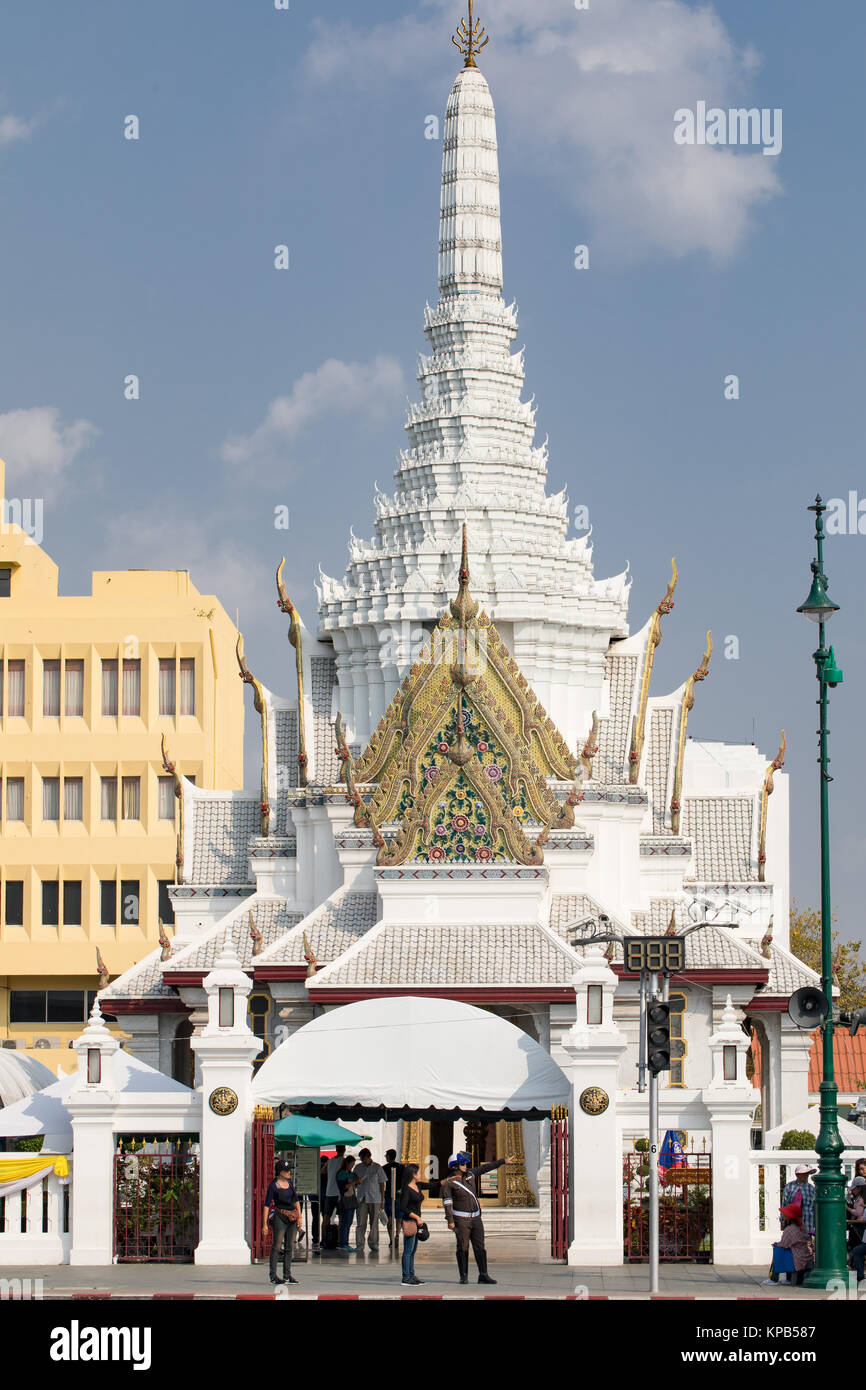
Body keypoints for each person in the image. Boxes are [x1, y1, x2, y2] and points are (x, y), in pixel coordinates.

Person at [441, 1150, 515, 1285]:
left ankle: (483, 1274)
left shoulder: (471, 1174)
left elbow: (485, 1168)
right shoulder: (449, 1183)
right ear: (455, 1166)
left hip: (476, 1219)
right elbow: (447, 1203)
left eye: (465, 1163)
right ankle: (463, 1276)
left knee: (480, 1247)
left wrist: (502, 1161)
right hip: (461, 1220)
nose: (465, 1166)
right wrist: (450, 1221)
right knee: (463, 1247)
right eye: (462, 1164)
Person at [263, 1159, 303, 1285]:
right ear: (280, 1172)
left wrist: (300, 1216)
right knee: (277, 1246)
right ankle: (273, 1275)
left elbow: (296, 1200)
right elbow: (266, 1205)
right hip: (280, 1216)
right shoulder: (273, 1186)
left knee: (289, 1247)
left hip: (292, 1217)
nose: (289, 1172)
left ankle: (287, 1274)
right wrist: (264, 1224)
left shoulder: (290, 1183)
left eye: (289, 1170)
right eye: (286, 1171)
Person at [398, 1163, 427, 1287]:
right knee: (408, 1250)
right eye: (419, 1173)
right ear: (413, 1174)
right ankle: (406, 1276)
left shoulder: (417, 1186)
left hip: (417, 1221)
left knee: (413, 1250)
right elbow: (403, 1207)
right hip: (410, 1221)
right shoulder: (406, 1189)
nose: (420, 1175)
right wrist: (416, 1217)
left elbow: (432, 1185)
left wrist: (445, 1181)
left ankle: (411, 1274)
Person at [772, 1201, 814, 1286]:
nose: (783, 1215)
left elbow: (784, 1244)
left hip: (796, 1257)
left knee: (777, 1250)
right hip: (805, 1254)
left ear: (789, 1217)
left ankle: (773, 1278)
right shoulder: (802, 1227)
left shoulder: (789, 1230)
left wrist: (776, 1244)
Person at [354, 1148, 386, 1253]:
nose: (363, 1161)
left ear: (369, 1157)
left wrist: (382, 1200)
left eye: (364, 1159)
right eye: (361, 1159)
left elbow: (382, 1184)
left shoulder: (377, 1168)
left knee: (374, 1222)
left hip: (375, 1198)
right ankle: (359, 1244)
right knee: (361, 1222)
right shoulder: (358, 1168)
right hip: (362, 1198)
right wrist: (357, 1182)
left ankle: (374, 1243)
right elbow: (354, 1183)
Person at [781, 1164, 817, 1237]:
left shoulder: (811, 1188)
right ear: (798, 1175)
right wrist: (782, 1220)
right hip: (792, 1221)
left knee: (806, 1243)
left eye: (807, 1174)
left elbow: (814, 1207)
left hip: (807, 1221)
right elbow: (784, 1204)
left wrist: (815, 1223)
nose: (806, 1176)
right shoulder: (789, 1187)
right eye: (804, 1174)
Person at [336, 1154, 360, 1252]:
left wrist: (357, 1181)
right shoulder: (341, 1174)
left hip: (352, 1198)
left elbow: (353, 1187)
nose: (352, 1167)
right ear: (347, 1163)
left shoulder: (351, 1174)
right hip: (344, 1199)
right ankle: (343, 1243)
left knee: (349, 1222)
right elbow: (344, 1187)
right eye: (351, 1164)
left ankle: (345, 1242)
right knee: (345, 1222)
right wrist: (354, 1182)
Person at [383, 1149, 405, 1248]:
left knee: (390, 1219)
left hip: (388, 1195)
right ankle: (397, 1235)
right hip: (398, 1195)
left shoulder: (384, 1168)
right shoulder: (401, 1167)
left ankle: (392, 1239)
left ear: (388, 1156)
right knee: (399, 1218)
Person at [323, 1144, 347, 1227]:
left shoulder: (329, 1161)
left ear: (336, 1150)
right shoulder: (344, 1161)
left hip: (329, 1191)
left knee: (326, 1216)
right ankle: (340, 1237)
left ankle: (324, 1237)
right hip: (339, 1192)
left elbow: (322, 1171)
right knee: (341, 1216)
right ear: (344, 1150)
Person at [846, 1173, 866, 1257]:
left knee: (857, 1246)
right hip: (858, 1222)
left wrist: (847, 1208)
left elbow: (858, 1213)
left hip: (859, 1223)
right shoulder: (858, 1198)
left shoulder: (861, 1199)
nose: (853, 1191)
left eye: (854, 1189)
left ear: (859, 1188)